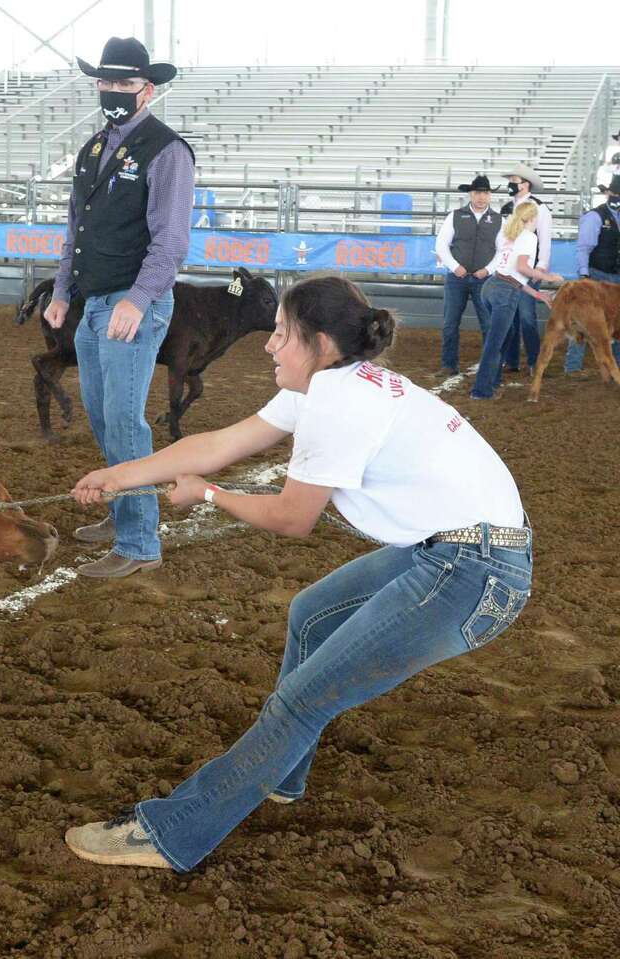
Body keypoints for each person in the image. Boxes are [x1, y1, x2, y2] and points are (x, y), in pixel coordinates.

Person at [62, 275, 533, 872]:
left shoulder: (340, 401)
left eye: (282, 334)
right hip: (458, 553)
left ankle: (170, 834)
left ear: (318, 344)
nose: (269, 344)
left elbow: (291, 517)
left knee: (300, 701)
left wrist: (210, 496)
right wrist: (122, 475)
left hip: (474, 570)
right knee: (311, 614)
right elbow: (220, 441)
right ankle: (281, 774)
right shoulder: (331, 383)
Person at [43, 36, 195, 579]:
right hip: (93, 304)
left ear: (147, 90)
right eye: (105, 82)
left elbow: (171, 241)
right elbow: (75, 232)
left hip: (132, 304)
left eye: (124, 84)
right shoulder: (92, 149)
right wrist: (62, 292)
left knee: (126, 422)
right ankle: (120, 507)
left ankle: (138, 542)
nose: (112, 91)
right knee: (105, 415)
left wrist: (137, 298)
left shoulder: (167, 151)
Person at [470, 203, 561, 401]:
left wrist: (538, 295)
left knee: (505, 335)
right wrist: (548, 277)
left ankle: (492, 382)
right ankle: (481, 390)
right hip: (505, 292)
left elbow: (513, 276)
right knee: (495, 341)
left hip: (492, 286)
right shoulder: (529, 237)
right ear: (532, 219)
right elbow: (522, 268)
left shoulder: (509, 235)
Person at [435, 174, 501, 375]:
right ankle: (448, 364)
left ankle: (490, 366)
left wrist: (488, 270)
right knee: (450, 323)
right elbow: (441, 244)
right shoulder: (454, 216)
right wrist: (455, 266)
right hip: (457, 278)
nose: (481, 197)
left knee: (488, 324)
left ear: (490, 196)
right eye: (478, 193)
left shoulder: (499, 220)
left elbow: (504, 250)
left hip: (485, 279)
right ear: (471, 194)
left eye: (485, 193)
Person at [497, 163, 552, 376]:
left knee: (527, 317)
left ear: (525, 184)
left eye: (514, 181)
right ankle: (512, 360)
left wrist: (540, 268)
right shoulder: (507, 208)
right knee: (510, 316)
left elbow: (545, 241)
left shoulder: (539, 208)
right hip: (509, 269)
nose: (510, 185)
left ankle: (534, 361)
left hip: (527, 269)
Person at [564, 173, 620, 374]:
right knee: (586, 323)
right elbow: (583, 248)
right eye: (615, 192)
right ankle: (573, 367)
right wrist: (584, 276)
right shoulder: (595, 216)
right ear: (608, 193)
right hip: (598, 276)